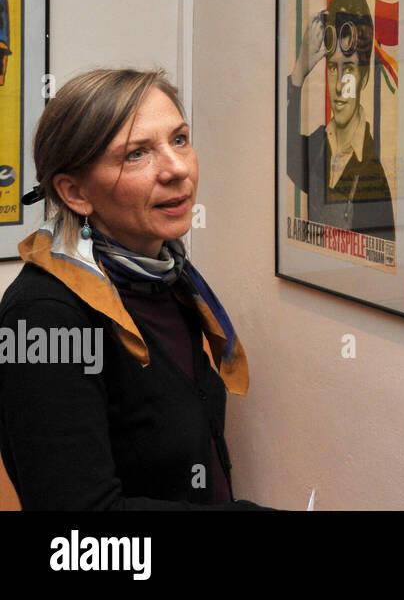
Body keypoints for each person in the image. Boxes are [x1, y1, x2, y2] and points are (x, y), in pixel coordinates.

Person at [0, 68, 263, 509]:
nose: (177, 169)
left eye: (179, 139)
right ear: (75, 192)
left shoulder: (166, 278)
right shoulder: (42, 318)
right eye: (137, 154)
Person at [287, 0, 394, 241]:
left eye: (349, 69)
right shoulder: (317, 148)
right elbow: (282, 151)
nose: (338, 86)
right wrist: (299, 71)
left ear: (364, 76)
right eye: (333, 68)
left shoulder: (373, 178)